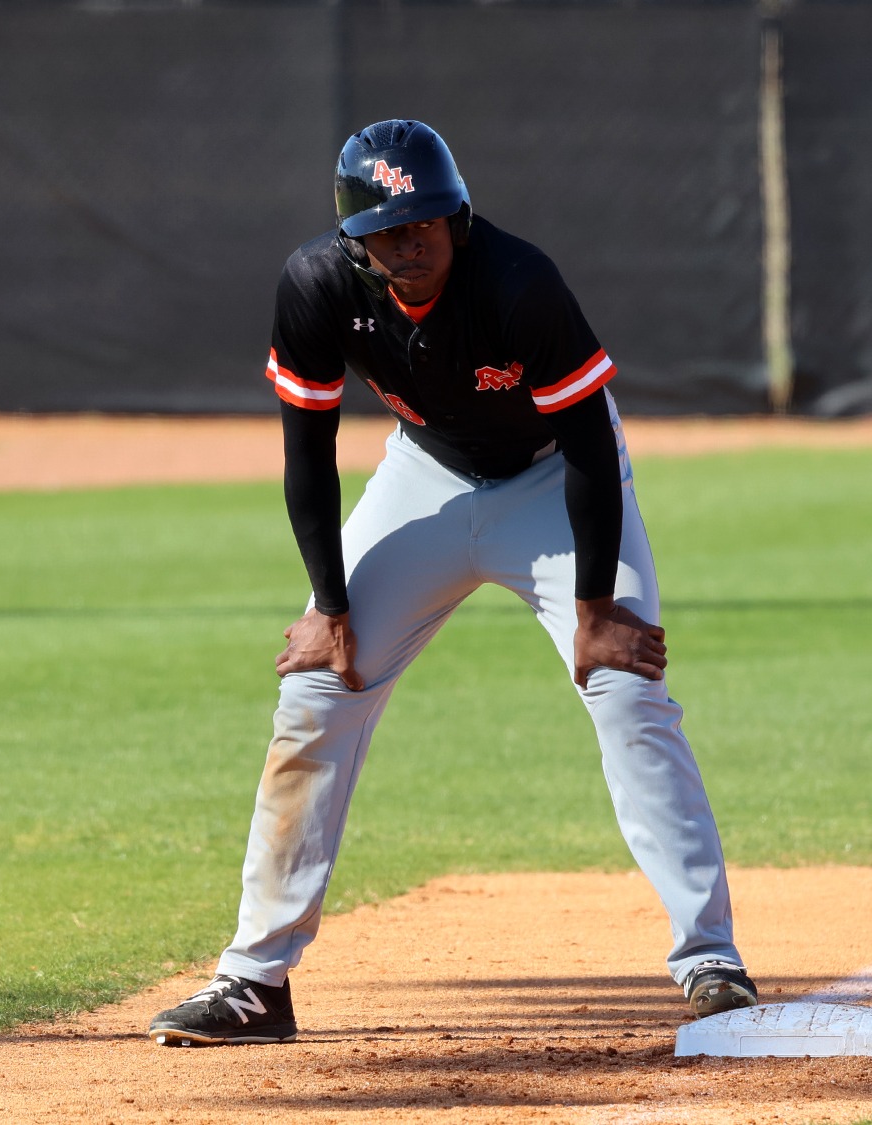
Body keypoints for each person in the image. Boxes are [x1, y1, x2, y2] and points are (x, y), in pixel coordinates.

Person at [149, 120, 754, 1047]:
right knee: (316, 690)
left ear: (457, 214)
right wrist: (332, 607)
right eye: (390, 230)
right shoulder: (314, 286)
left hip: (557, 477)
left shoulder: (518, 280)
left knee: (626, 686)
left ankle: (709, 957)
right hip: (423, 476)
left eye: (428, 221)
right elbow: (307, 454)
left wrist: (596, 609)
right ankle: (254, 980)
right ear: (356, 239)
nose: (413, 242)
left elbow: (592, 442)